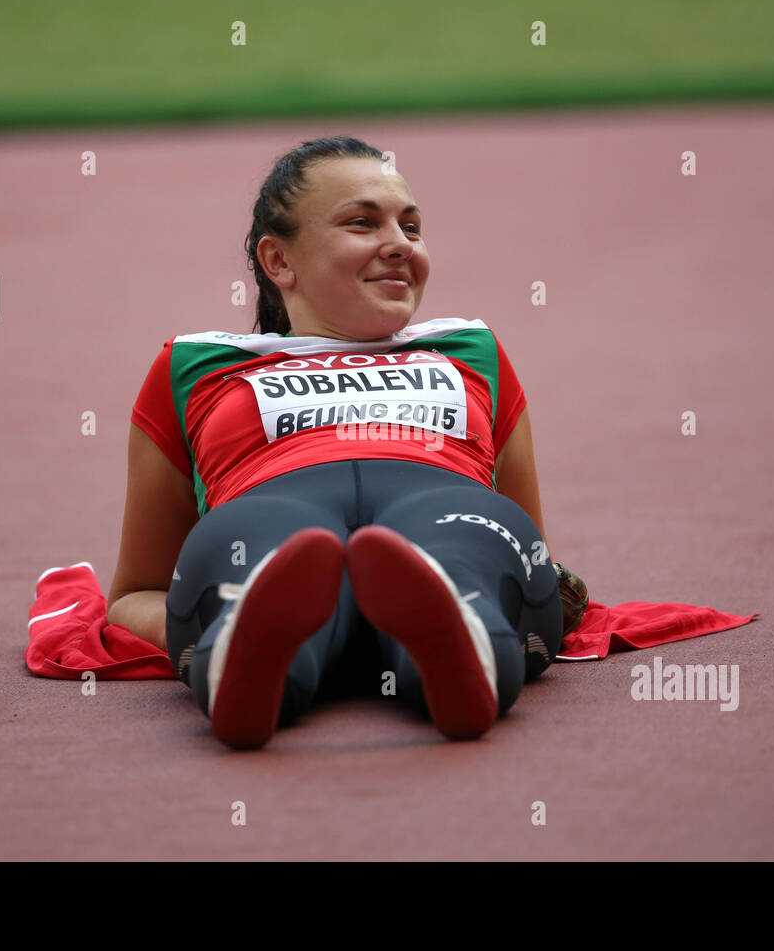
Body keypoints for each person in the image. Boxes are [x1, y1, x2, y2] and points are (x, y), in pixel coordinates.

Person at [108, 136, 580, 750]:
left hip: (445, 508)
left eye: (411, 227)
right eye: (362, 223)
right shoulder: (194, 365)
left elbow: (531, 544)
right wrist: (186, 627)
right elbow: (134, 594)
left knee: (457, 550)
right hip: (268, 516)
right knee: (269, 555)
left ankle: (462, 645)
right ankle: (246, 651)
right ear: (278, 261)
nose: (399, 245)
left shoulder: (473, 347)